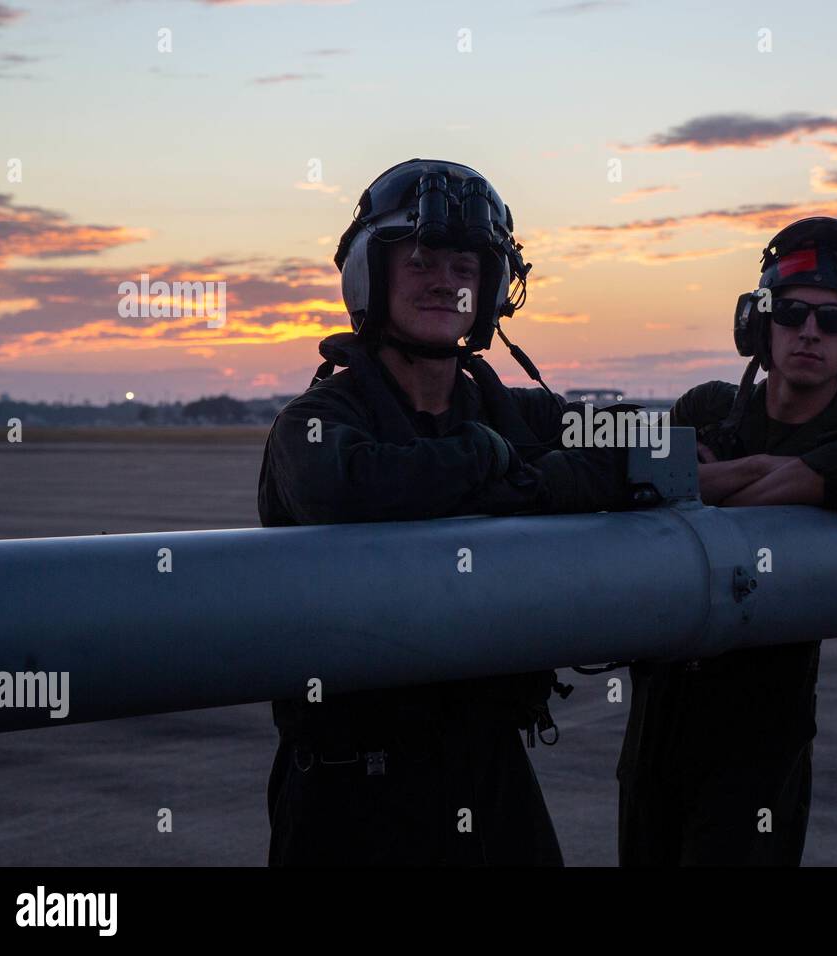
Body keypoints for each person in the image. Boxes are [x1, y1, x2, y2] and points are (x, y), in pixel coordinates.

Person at [257, 158, 629, 866]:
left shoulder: (513, 410)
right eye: (420, 259)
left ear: (491, 289)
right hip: (350, 786)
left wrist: (509, 474)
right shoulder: (313, 423)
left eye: (465, 263)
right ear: (371, 275)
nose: (444, 279)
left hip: (485, 764)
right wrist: (495, 462)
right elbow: (348, 491)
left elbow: (631, 447)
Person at [616, 216, 837, 866]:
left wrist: (703, 486)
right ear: (760, 324)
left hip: (759, 739)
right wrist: (761, 476)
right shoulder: (703, 408)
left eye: (834, 320)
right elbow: (636, 498)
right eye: (792, 312)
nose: (809, 331)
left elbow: (670, 498)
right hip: (656, 723)